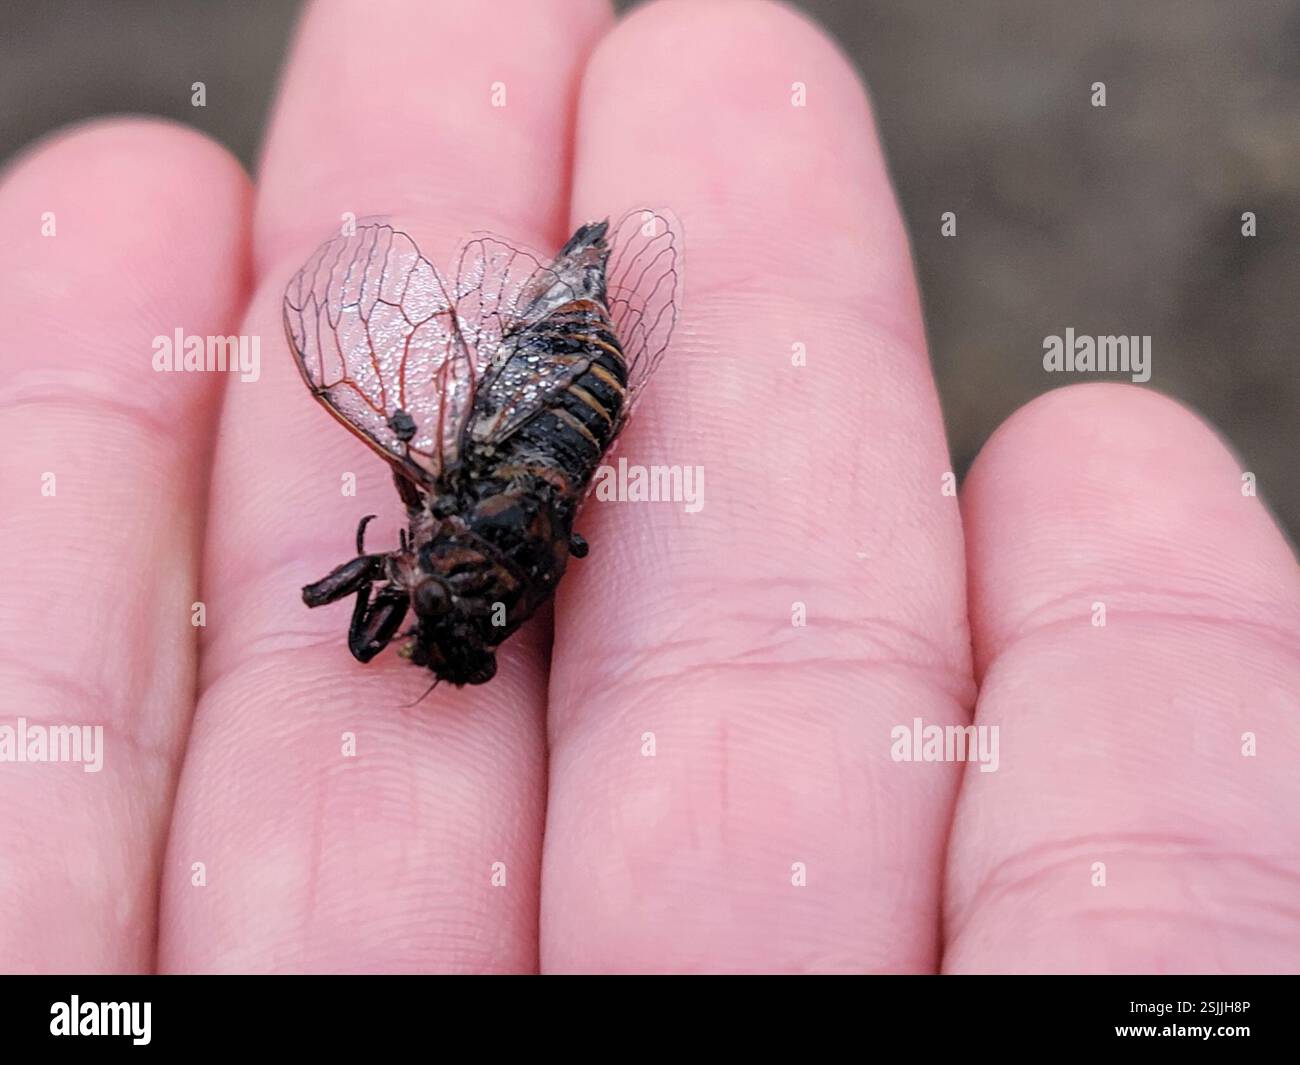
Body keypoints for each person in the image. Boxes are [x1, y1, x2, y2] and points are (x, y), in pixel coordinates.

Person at [1, 0, 1295, 975]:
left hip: (538, 404)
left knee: (369, 389)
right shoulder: (470, 547)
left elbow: (415, 546)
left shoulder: (455, 538)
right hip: (547, 407)